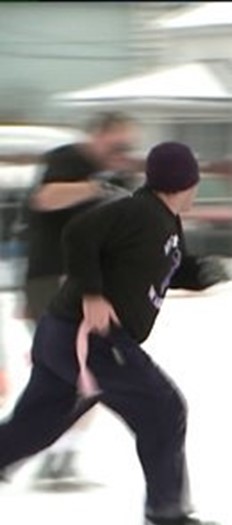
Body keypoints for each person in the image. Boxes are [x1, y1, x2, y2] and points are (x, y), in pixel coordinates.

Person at [0, 141, 231, 525]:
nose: (196, 188)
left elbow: (157, 267)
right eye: (194, 180)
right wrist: (92, 294)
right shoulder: (138, 212)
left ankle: (165, 514)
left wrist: (199, 271)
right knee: (163, 407)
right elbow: (78, 234)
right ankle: (166, 515)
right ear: (183, 182)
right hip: (89, 338)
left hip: (67, 337)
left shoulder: (165, 220)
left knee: (35, 425)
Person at [19, 111, 139, 488]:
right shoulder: (67, 159)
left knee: (77, 375)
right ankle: (52, 458)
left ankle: (58, 458)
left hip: (87, 290)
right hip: (51, 283)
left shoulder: (118, 177)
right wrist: (96, 188)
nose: (122, 154)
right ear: (98, 136)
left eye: (128, 148)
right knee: (83, 371)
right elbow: (46, 198)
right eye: (118, 145)